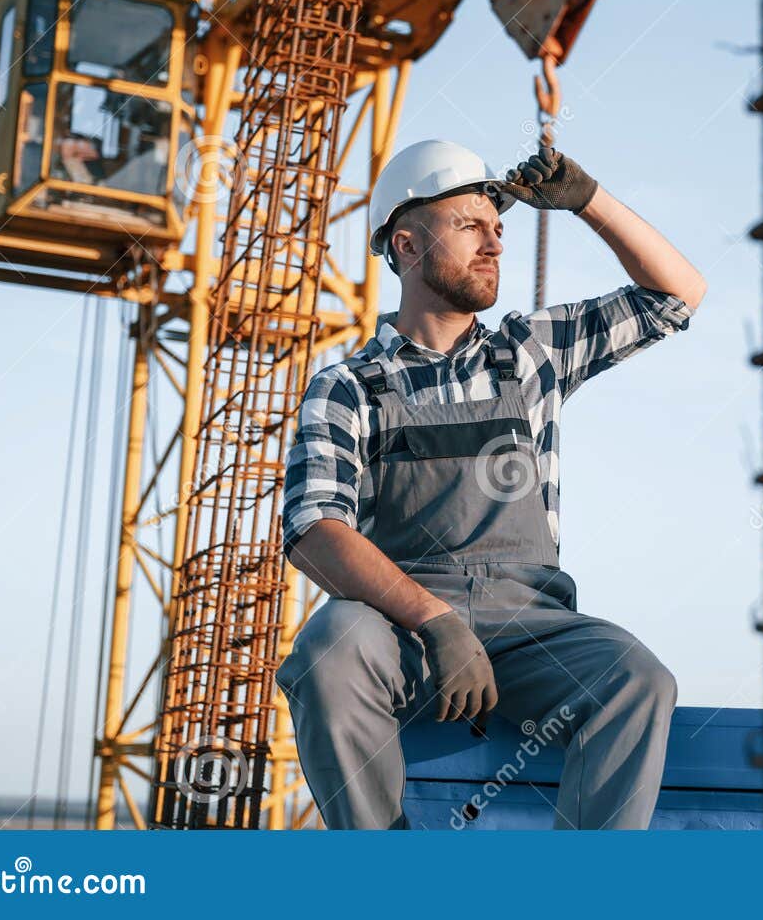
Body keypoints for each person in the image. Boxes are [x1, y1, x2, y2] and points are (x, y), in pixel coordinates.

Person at [276, 137, 706, 829]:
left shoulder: (531, 351)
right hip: (401, 630)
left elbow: (678, 294)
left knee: (637, 678)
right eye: (471, 225)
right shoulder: (348, 386)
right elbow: (315, 529)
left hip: (531, 624)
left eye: (499, 228)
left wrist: (588, 201)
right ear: (408, 246)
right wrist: (438, 622)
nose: (495, 243)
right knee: (330, 647)